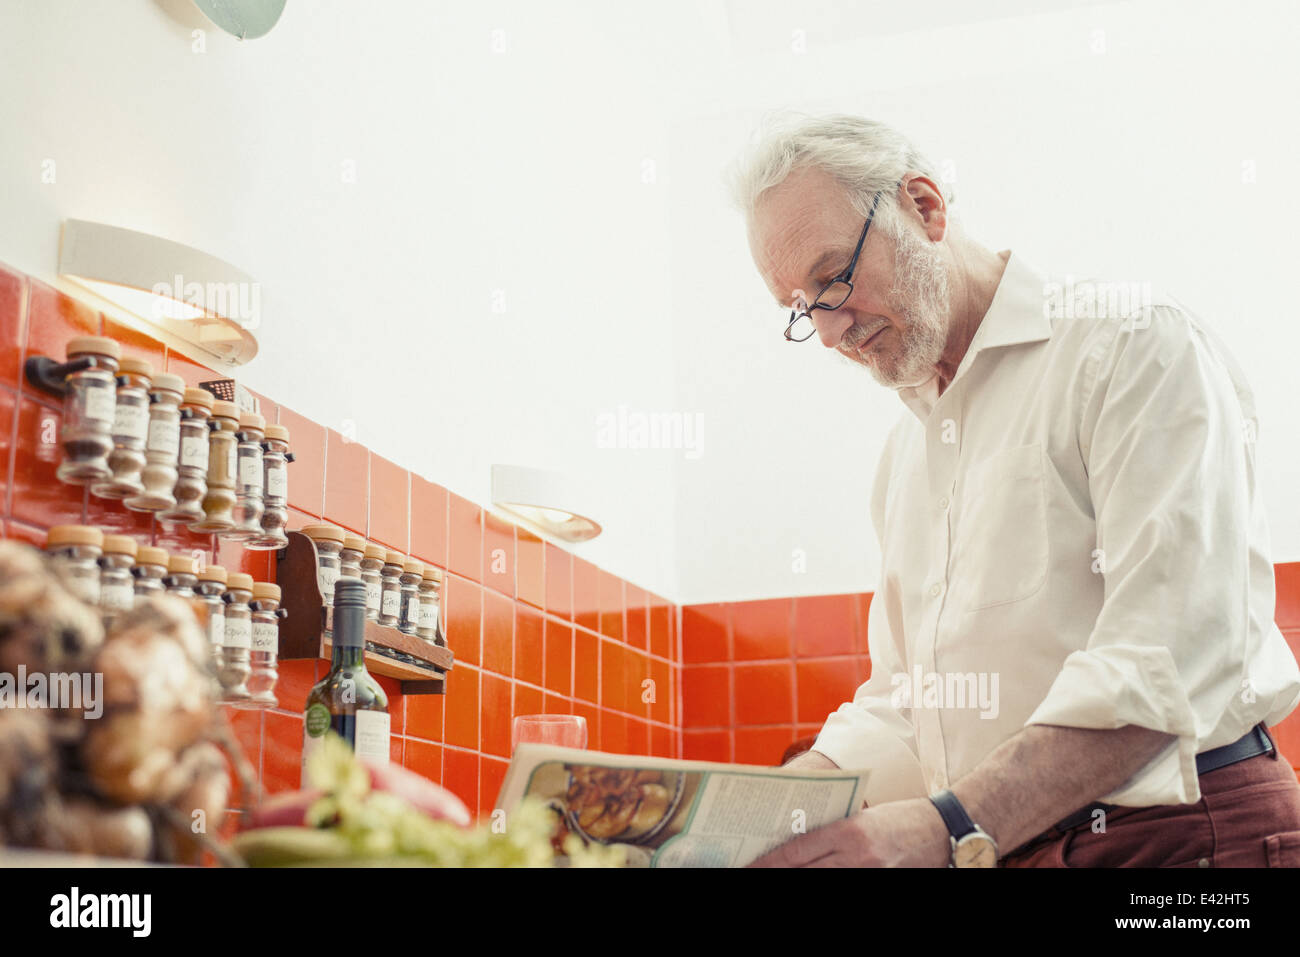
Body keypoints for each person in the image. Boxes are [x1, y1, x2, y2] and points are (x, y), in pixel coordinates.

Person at [730, 113, 1300, 867]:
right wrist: (754, 814)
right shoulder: (904, 459)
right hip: (1012, 844)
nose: (830, 333)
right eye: (802, 308)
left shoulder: (1130, 348)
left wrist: (947, 824)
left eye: (833, 278)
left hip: (1188, 837)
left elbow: (1170, 648)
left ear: (924, 207)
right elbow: (909, 705)